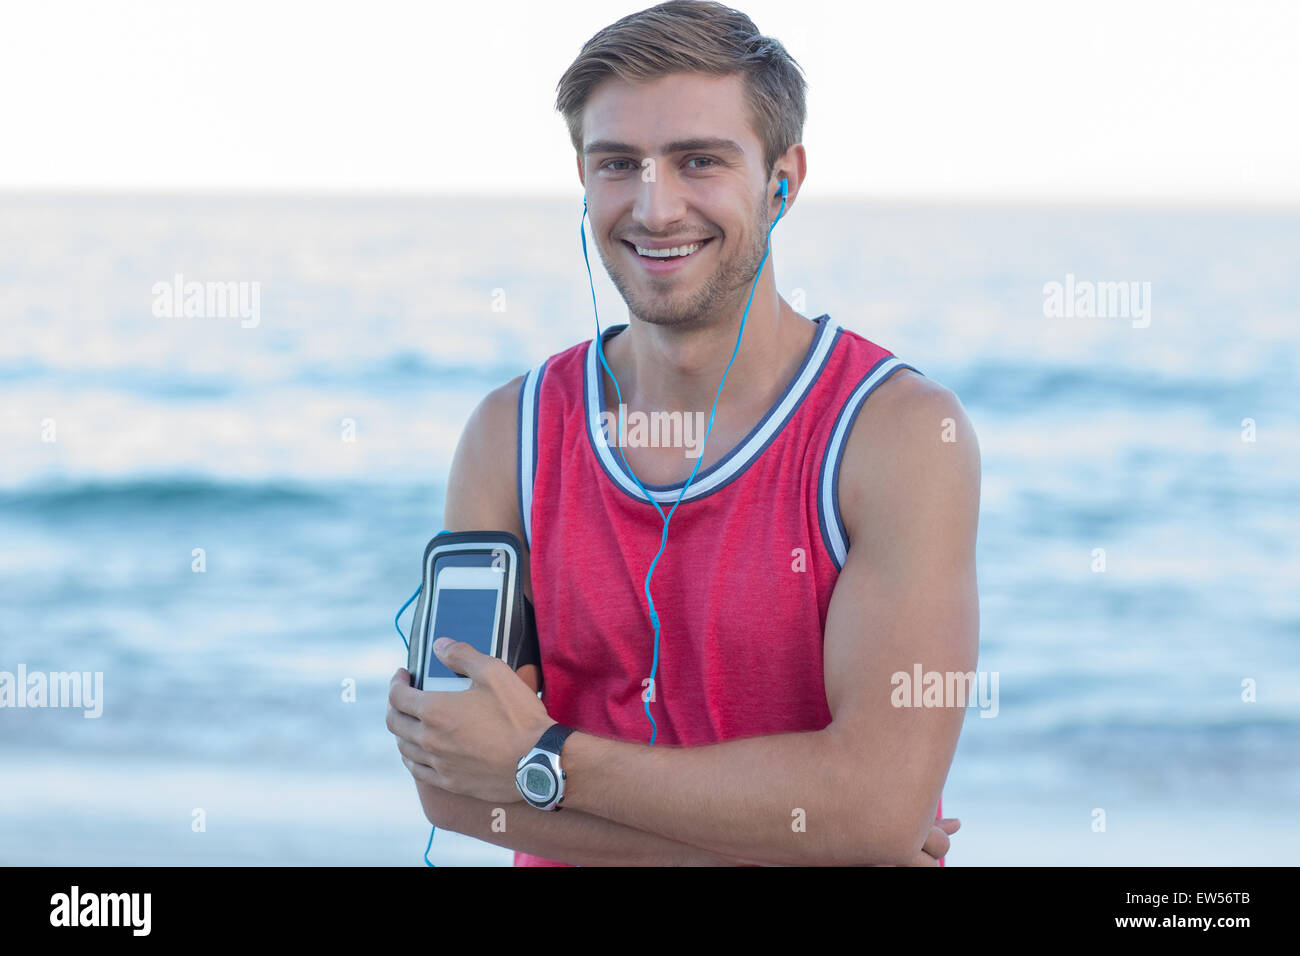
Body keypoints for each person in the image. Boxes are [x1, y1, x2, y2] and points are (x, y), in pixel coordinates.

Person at [386, 0, 979, 866]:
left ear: (784, 180)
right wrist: (823, 840)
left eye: (699, 161)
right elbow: (452, 785)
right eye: (618, 164)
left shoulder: (896, 434)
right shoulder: (508, 435)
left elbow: (873, 806)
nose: (655, 208)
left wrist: (541, 761)